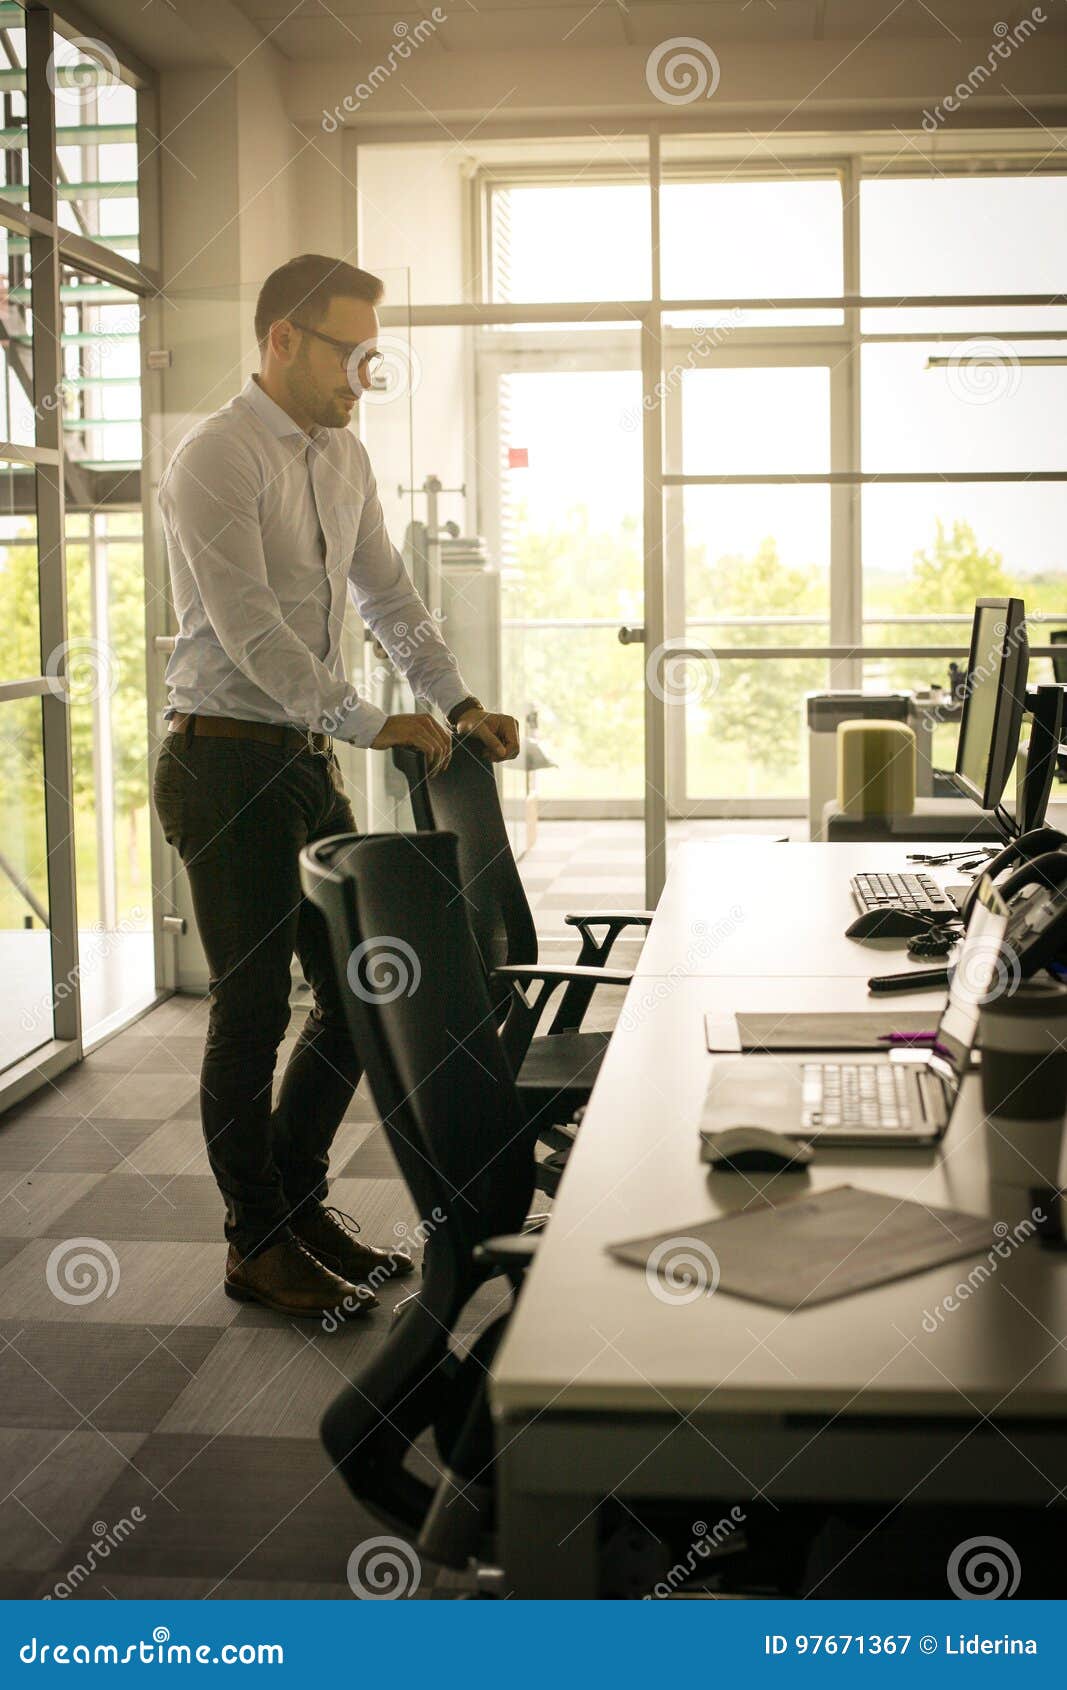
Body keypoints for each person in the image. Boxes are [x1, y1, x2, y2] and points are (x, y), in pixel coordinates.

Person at [152, 253, 520, 1318]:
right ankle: (252, 1239)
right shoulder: (214, 459)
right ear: (282, 342)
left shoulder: (342, 457)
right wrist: (366, 721)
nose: (364, 376)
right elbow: (248, 629)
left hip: (298, 760)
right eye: (349, 353)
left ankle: (294, 1202)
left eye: (373, 356)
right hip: (221, 758)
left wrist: (452, 701)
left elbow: (387, 595)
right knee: (253, 1006)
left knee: (363, 993)